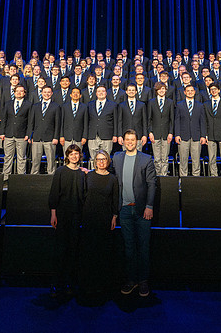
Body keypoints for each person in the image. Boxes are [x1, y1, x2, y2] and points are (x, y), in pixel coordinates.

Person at [114, 129, 156, 297]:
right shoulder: (117, 158)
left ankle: (143, 281)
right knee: (129, 247)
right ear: (123, 141)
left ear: (137, 141)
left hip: (142, 211)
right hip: (124, 210)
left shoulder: (146, 159)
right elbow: (108, 176)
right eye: (127, 139)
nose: (130, 142)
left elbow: (152, 184)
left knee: (143, 247)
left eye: (133, 140)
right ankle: (132, 280)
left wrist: (149, 206)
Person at [79, 149, 120, 297]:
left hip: (105, 217)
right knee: (89, 251)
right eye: (98, 159)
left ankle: (102, 285)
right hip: (89, 216)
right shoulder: (88, 176)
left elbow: (115, 199)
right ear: (95, 162)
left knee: (103, 252)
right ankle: (88, 284)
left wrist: (114, 216)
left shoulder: (112, 178)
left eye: (103, 159)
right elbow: (82, 195)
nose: (101, 162)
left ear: (108, 161)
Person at [48, 144, 87, 297]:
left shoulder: (83, 174)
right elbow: (54, 194)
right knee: (60, 250)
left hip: (77, 215)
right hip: (62, 215)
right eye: (71, 154)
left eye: (76, 153)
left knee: (73, 250)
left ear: (80, 156)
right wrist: (53, 214)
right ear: (67, 156)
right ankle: (56, 283)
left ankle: (70, 282)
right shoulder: (60, 172)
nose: (74, 156)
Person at [28, 86, 61, 174]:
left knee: (51, 161)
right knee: (35, 161)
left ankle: (51, 179)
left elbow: (58, 123)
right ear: (41, 93)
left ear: (51, 93)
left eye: (48, 92)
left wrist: (56, 137)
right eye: (45, 92)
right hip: (37, 137)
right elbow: (31, 122)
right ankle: (33, 178)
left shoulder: (56, 106)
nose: (47, 94)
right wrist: (30, 136)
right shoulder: (35, 106)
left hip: (50, 138)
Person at [174, 85, 206, 176]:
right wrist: (177, 135)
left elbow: (202, 121)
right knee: (183, 160)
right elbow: (177, 121)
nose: (190, 92)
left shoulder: (200, 105)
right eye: (188, 91)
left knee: (196, 160)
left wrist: (203, 136)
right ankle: (183, 180)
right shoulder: (179, 105)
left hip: (196, 136)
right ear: (184, 92)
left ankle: (196, 181)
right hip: (183, 136)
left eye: (192, 90)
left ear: (194, 92)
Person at [0, 85, 31, 178]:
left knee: (21, 158)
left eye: (21, 91)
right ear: (14, 92)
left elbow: (30, 121)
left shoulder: (28, 104)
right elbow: (4, 119)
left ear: (24, 93)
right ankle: (5, 178)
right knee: (7, 157)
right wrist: (2, 132)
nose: (19, 93)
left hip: (22, 135)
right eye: (17, 91)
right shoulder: (8, 103)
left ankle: (21, 178)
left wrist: (28, 134)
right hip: (8, 134)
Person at [86, 85, 118, 165]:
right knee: (94, 159)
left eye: (103, 91)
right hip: (92, 135)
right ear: (96, 93)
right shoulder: (90, 104)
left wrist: (115, 135)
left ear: (106, 93)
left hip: (107, 136)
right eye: (99, 91)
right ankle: (94, 175)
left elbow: (116, 121)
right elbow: (87, 120)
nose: (101, 93)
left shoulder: (113, 105)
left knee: (105, 158)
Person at [148, 82, 175, 176]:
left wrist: (171, 133)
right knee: (156, 158)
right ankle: (157, 176)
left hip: (166, 133)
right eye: (160, 89)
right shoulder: (151, 102)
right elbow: (149, 119)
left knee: (165, 157)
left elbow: (172, 119)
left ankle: (164, 176)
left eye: (163, 89)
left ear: (166, 90)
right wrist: (150, 132)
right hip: (155, 133)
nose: (162, 90)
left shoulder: (170, 102)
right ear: (156, 90)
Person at [59, 87, 87, 154]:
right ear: (70, 95)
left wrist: (84, 137)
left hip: (79, 137)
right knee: (67, 157)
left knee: (78, 157)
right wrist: (61, 136)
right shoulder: (64, 106)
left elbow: (85, 123)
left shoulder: (84, 107)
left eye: (77, 93)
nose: (75, 94)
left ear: (80, 96)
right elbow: (61, 122)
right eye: (74, 92)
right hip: (67, 137)